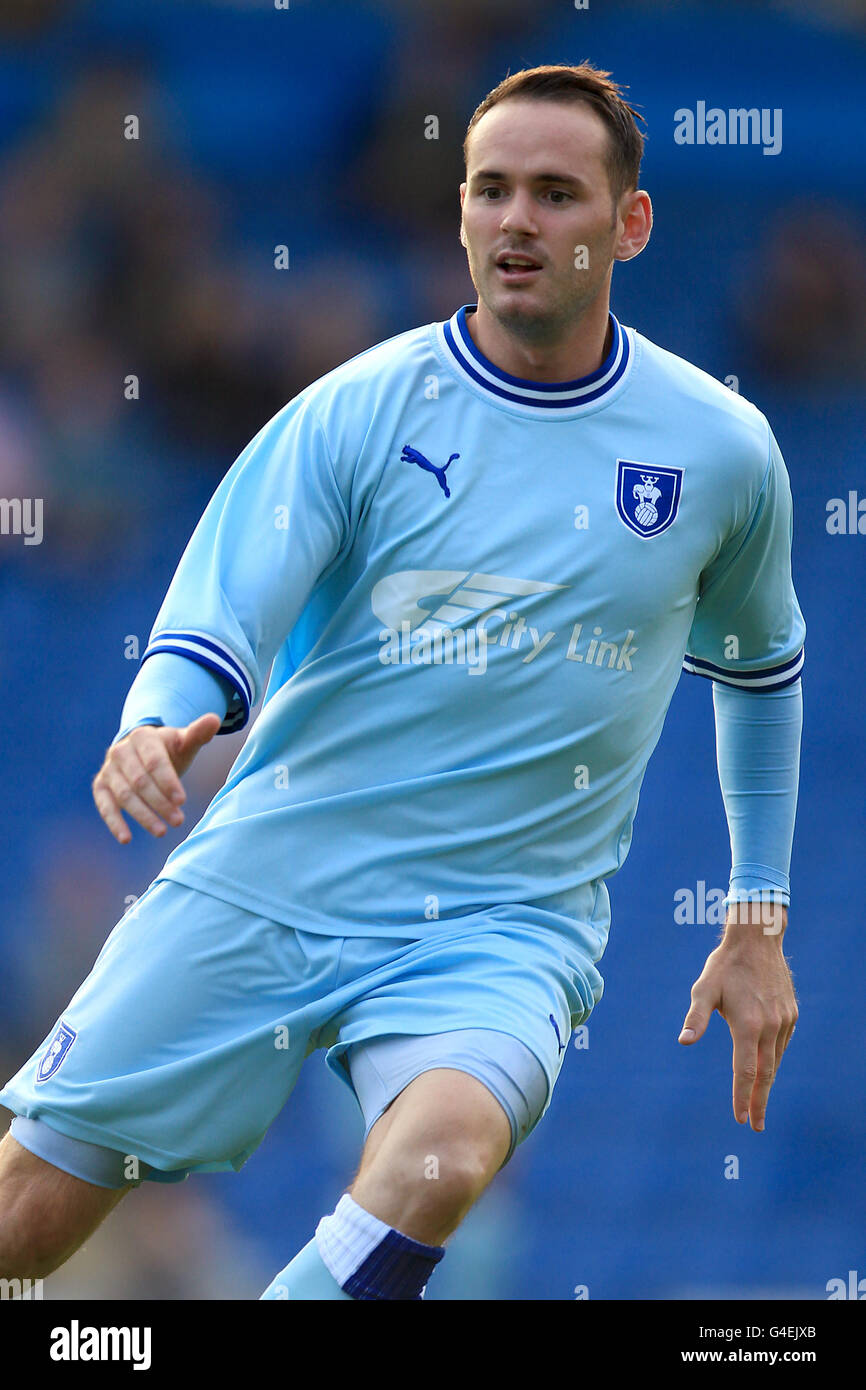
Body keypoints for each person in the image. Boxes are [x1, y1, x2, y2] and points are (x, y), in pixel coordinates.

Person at [0, 62, 803, 1301]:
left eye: (554, 192)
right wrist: (155, 723)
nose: (515, 222)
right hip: (275, 873)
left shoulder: (717, 449)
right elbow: (220, 612)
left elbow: (760, 673)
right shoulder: (358, 411)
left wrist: (754, 914)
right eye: (489, 191)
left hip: (503, 925)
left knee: (441, 1159)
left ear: (628, 223)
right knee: (29, 1220)